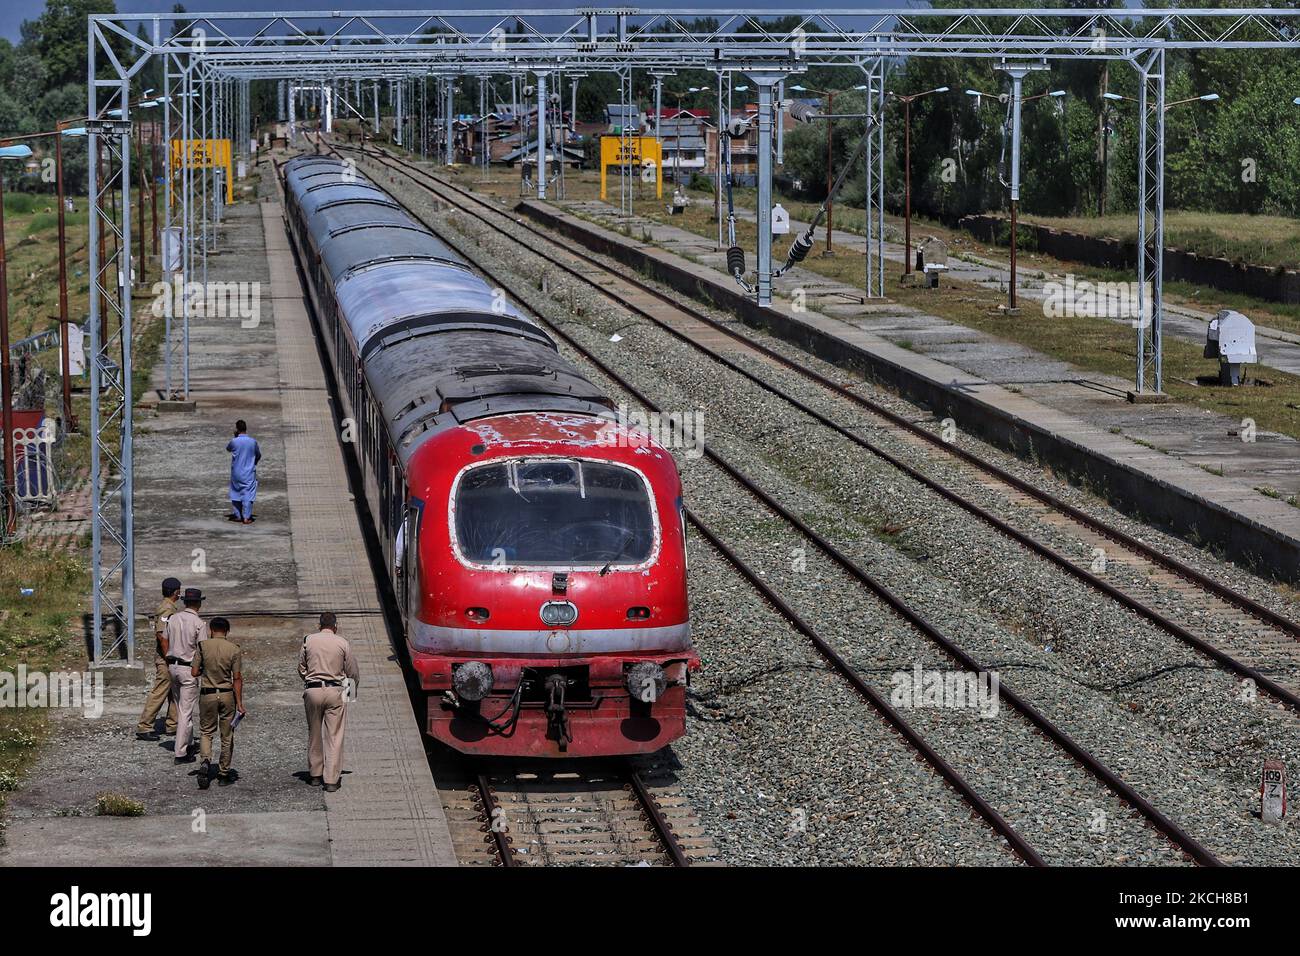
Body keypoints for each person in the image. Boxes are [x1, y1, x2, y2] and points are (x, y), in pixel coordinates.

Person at [298, 612, 359, 792]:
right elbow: (352, 672)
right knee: (334, 735)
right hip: (336, 691)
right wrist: (351, 692)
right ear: (335, 626)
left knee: (314, 732)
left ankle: (315, 774)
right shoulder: (342, 643)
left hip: (313, 690)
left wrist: (309, 679)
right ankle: (331, 779)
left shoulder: (308, 641)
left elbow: (301, 667)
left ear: (319, 625)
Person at [191, 617, 244, 789]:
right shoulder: (234, 649)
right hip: (227, 694)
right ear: (227, 631)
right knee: (227, 735)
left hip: (208, 694)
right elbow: (237, 678)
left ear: (211, 630)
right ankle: (223, 773)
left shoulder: (203, 646)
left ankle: (205, 760)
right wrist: (240, 703)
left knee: (206, 731)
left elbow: (194, 672)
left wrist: (204, 671)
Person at [162, 587, 210, 764]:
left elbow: (165, 638)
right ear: (198, 603)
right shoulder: (199, 623)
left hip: (173, 666)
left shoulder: (173, 618)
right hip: (188, 668)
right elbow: (202, 649)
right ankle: (181, 752)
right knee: (185, 711)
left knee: (180, 706)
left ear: (184, 602)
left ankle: (188, 743)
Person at [135, 577, 181, 741]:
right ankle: (145, 726)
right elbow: (162, 636)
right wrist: (169, 657)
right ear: (176, 592)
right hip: (165, 658)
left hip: (168, 657)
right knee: (160, 691)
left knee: (175, 692)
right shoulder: (167, 609)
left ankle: (173, 725)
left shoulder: (168, 607)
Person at [226, 420, 261, 524]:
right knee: (248, 493)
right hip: (249, 472)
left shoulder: (234, 441)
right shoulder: (253, 441)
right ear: (246, 428)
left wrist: (235, 437)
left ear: (237, 429)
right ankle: (246, 517)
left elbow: (228, 449)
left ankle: (237, 515)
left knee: (235, 491)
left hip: (236, 472)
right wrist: (254, 462)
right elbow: (258, 455)